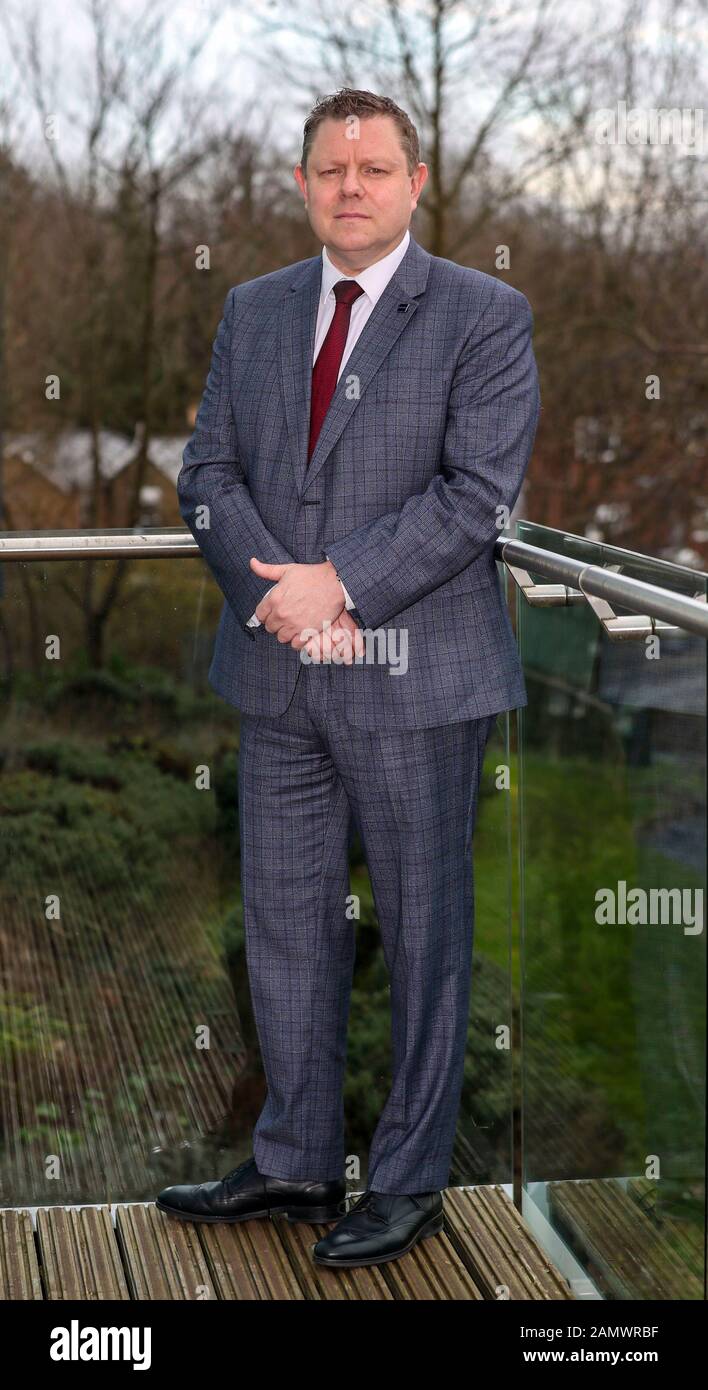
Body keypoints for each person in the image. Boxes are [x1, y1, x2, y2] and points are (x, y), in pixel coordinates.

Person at [157, 87, 540, 1269]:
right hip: (279, 673)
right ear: (302, 184)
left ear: (416, 183)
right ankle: (294, 1160)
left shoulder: (485, 314)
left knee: (425, 936)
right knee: (283, 926)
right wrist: (275, 592)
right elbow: (207, 469)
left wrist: (343, 587)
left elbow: (477, 496)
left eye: (375, 167)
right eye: (331, 169)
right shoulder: (255, 309)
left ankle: (411, 1180)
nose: (352, 186)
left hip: (418, 680)